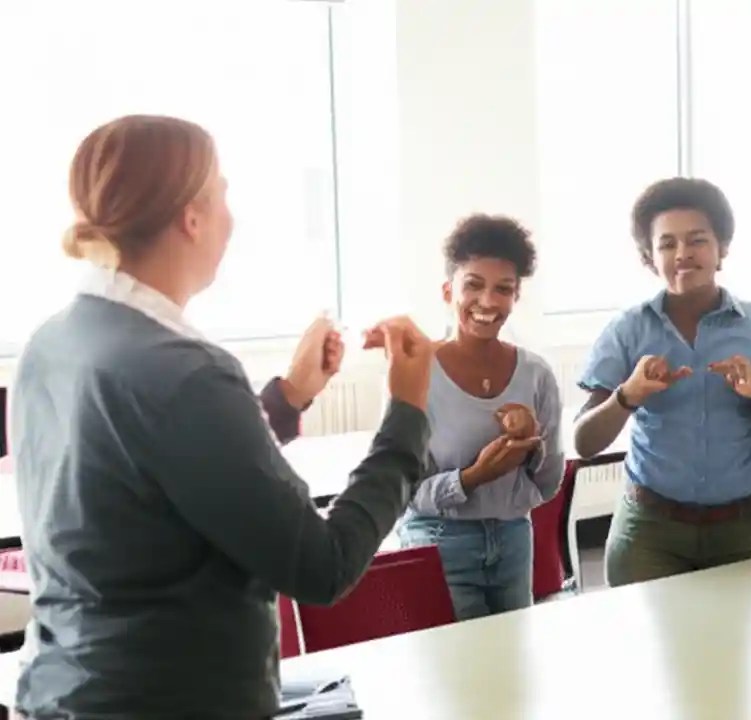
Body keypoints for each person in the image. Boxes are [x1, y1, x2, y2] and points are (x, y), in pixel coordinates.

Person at [10, 114, 437, 719]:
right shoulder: (185, 371)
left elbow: (155, 469)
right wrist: (408, 415)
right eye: (224, 192)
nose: (231, 218)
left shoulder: (52, 343)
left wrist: (288, 397)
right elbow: (322, 565)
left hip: (65, 693)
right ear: (191, 216)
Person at [574, 177, 751, 587]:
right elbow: (584, 442)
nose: (683, 254)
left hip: (746, 531)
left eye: (697, 240)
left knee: (744, 649)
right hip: (649, 534)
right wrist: (627, 396)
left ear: (722, 249)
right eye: (667, 244)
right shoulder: (627, 330)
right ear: (650, 258)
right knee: (651, 651)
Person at [395, 214, 564, 620]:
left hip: (512, 537)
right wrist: (473, 477)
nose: (488, 302)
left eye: (503, 289)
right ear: (447, 290)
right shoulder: (415, 373)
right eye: (473, 285)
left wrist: (532, 445)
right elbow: (403, 491)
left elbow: (549, 483)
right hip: (436, 540)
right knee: (453, 673)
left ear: (515, 297)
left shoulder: (536, 374)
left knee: (512, 669)